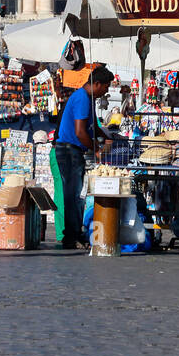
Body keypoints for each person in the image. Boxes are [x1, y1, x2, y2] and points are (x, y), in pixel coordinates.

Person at [53, 66, 114, 250]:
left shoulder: (88, 99)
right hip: (69, 151)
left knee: (76, 194)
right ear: (96, 84)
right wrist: (96, 148)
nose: (107, 91)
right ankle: (70, 237)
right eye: (105, 87)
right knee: (73, 195)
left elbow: (91, 126)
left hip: (72, 151)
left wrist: (106, 136)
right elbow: (80, 132)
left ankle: (74, 233)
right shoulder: (82, 99)